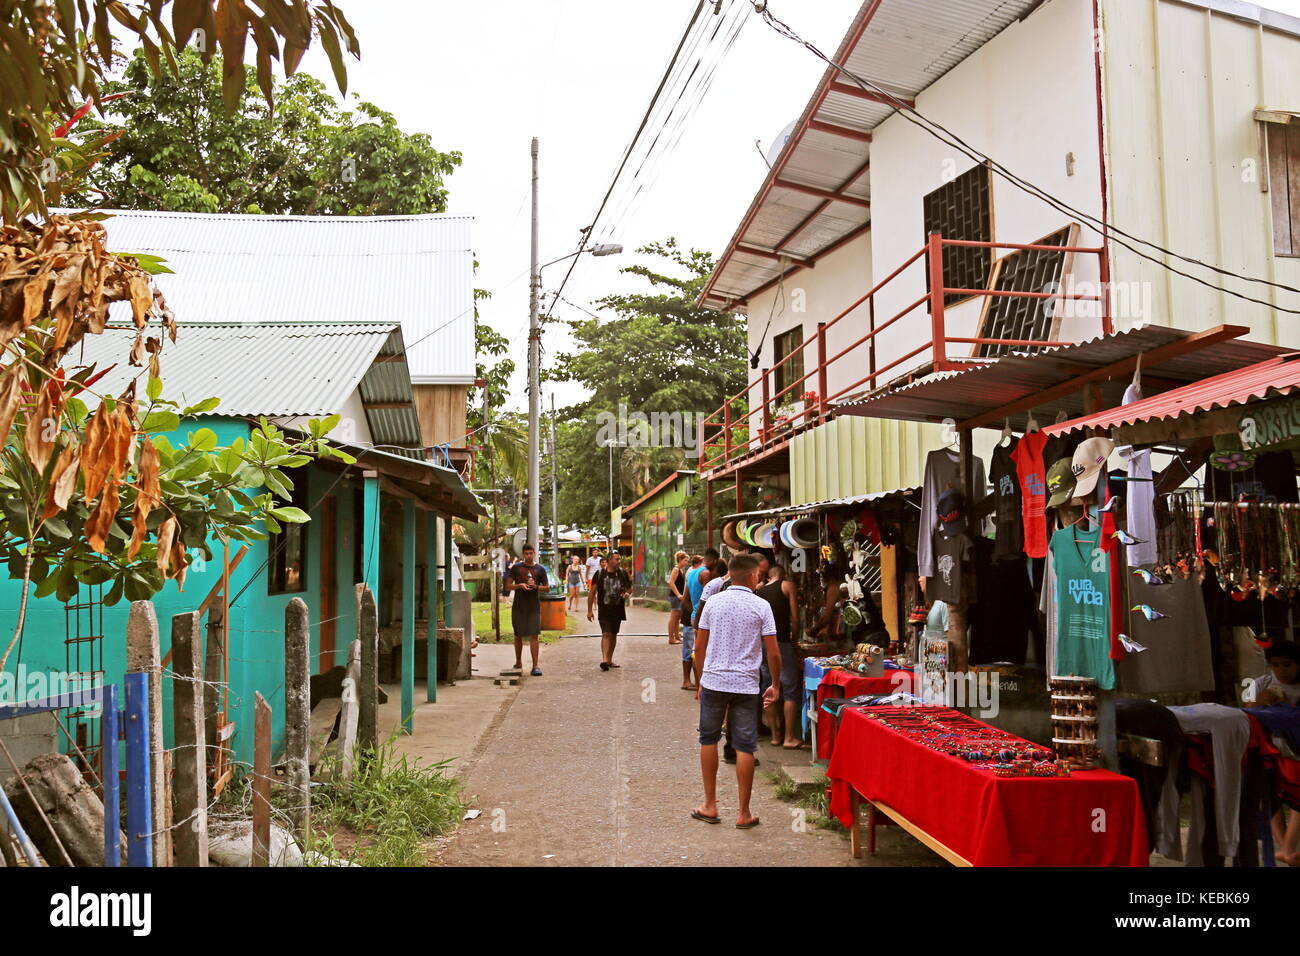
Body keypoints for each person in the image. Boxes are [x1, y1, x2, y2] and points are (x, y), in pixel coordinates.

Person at [691, 553, 780, 830]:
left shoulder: (713, 603)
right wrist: (775, 684)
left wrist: (700, 680)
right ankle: (743, 813)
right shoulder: (761, 605)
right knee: (744, 746)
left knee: (708, 739)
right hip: (746, 685)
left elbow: (699, 647)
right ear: (753, 577)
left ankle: (710, 804)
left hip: (715, 681)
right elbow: (774, 652)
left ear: (730, 574)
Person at [757, 563, 803, 748]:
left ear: (769, 577)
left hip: (762, 644)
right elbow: (795, 617)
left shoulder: (759, 591)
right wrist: (795, 640)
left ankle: (775, 736)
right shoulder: (787, 585)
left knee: (768, 687)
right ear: (782, 574)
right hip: (781, 643)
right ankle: (789, 737)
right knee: (790, 688)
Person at [505, 545, 548, 676]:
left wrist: (535, 586)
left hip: (533, 606)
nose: (529, 556)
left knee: (534, 634)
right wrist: (520, 585)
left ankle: (535, 665)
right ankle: (518, 662)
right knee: (518, 634)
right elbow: (507, 585)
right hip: (519, 605)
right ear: (523, 554)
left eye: (531, 553)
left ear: (534, 553)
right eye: (526, 553)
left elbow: (547, 587)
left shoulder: (540, 569)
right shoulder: (517, 567)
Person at [589, 550, 632, 671]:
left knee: (613, 634)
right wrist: (589, 610)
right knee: (606, 633)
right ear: (609, 560)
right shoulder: (599, 574)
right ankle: (604, 660)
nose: (619, 561)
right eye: (616, 559)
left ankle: (609, 659)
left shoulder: (622, 573)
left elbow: (630, 588)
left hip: (618, 608)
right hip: (604, 609)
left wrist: (627, 594)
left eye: (619, 559)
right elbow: (592, 592)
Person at [680, 555, 707, 690]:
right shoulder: (698, 574)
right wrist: (695, 612)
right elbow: (686, 598)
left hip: (691, 615)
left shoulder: (691, 573)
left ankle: (692, 682)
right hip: (692, 616)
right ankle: (689, 681)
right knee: (693, 649)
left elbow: (685, 598)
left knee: (692, 648)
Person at [666, 550, 689, 645]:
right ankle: (671, 638)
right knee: (674, 617)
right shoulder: (676, 569)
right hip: (675, 597)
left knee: (677, 618)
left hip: (679, 597)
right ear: (680, 559)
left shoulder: (680, 570)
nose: (686, 563)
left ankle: (677, 636)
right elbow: (671, 582)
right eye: (685, 560)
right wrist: (678, 594)